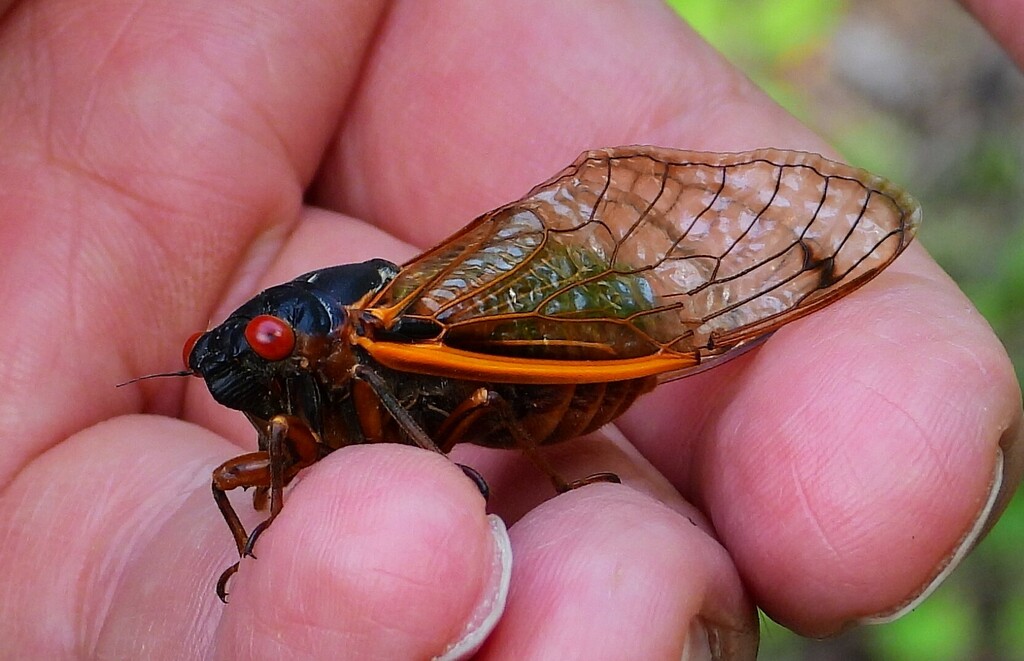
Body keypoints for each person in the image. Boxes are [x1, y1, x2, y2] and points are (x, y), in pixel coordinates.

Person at [0, 2, 1019, 658]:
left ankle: (576, 460)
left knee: (515, 387)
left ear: (307, 335)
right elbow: (266, 459)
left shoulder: (381, 335)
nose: (256, 384)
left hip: (539, 356)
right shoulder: (287, 406)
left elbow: (451, 395)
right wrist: (260, 528)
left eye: (268, 348)